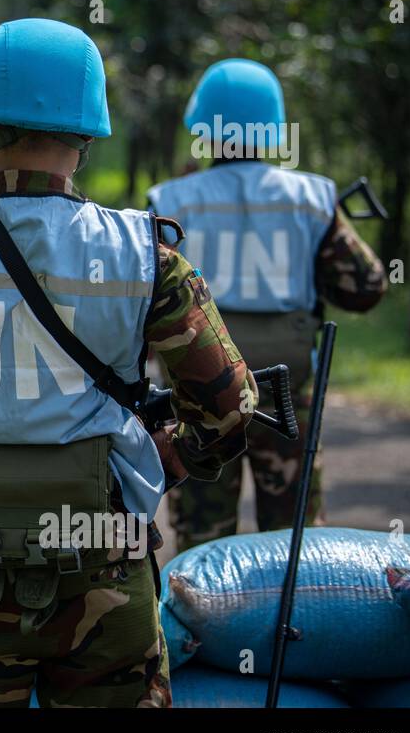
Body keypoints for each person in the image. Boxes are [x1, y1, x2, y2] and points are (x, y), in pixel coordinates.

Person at [0, 18, 257, 708]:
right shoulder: (142, 254)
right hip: (105, 575)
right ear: (88, 135)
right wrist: (172, 459)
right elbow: (229, 411)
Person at [147, 58, 388, 552]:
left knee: (202, 543)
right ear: (274, 128)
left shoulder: (171, 198)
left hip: (200, 395)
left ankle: (202, 630)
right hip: (287, 393)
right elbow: (366, 287)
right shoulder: (311, 198)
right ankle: (296, 625)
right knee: (294, 544)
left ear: (203, 130)